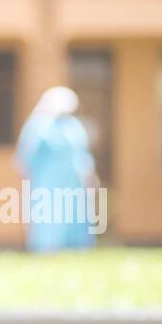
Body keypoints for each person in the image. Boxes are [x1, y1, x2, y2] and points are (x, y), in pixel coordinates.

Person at [13, 86, 99, 252]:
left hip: (74, 185)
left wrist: (89, 176)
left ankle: (76, 249)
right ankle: (46, 250)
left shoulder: (74, 126)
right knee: (48, 219)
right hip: (47, 185)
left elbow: (83, 155)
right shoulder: (38, 126)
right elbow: (24, 159)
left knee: (75, 218)